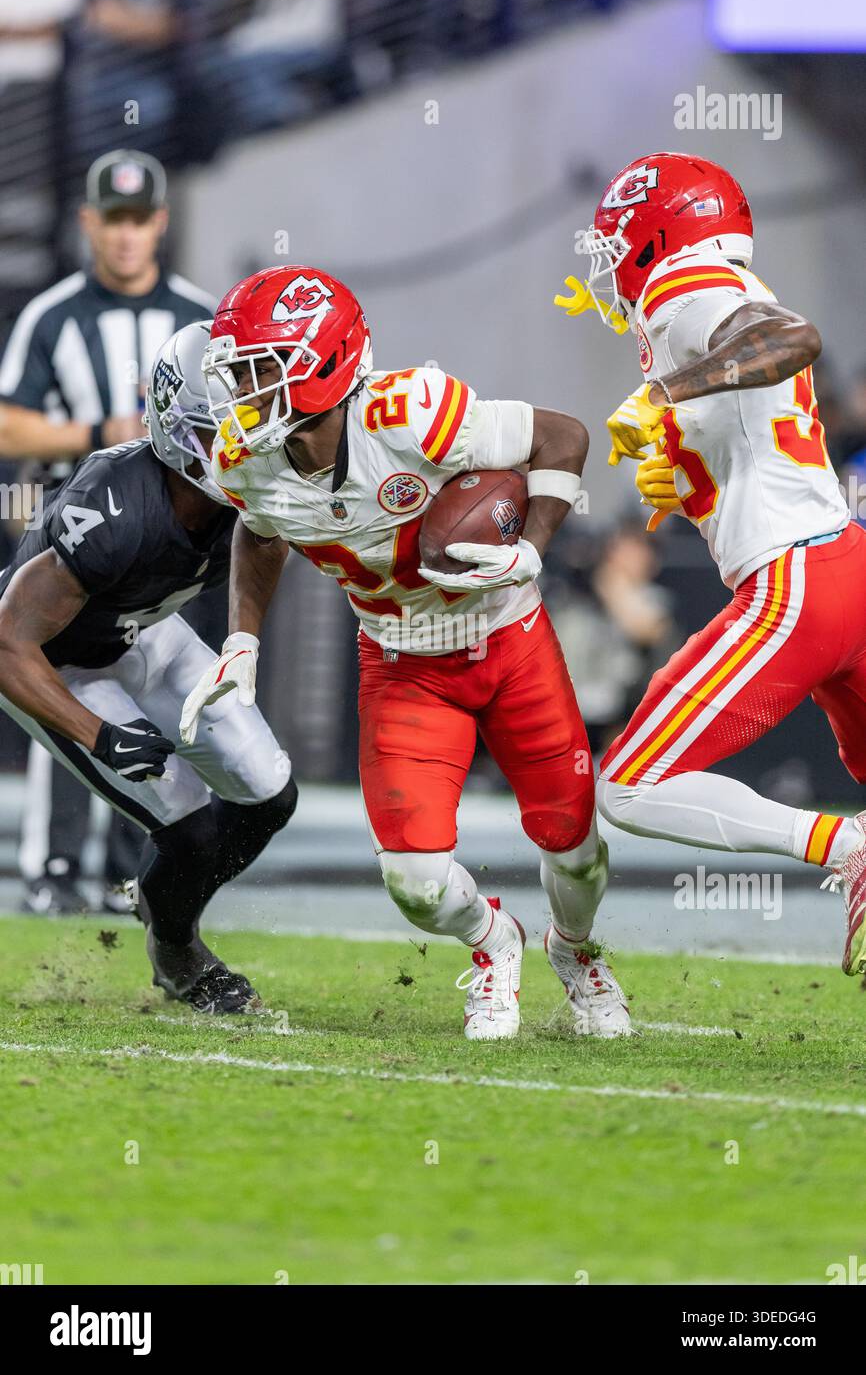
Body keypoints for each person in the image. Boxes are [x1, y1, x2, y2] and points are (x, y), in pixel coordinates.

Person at [179, 263, 631, 1041]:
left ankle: (578, 951)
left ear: (324, 364)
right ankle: (495, 944)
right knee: (416, 884)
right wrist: (243, 638)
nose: (239, 394)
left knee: (575, 845)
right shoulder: (242, 456)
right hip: (402, 661)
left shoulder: (410, 412)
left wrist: (537, 548)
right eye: (236, 373)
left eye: (258, 370)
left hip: (510, 637)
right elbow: (260, 528)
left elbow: (563, 437)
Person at [558, 150, 866, 979]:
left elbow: (790, 340)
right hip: (843, 564)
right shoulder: (717, 286)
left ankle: (845, 847)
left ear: (660, 232)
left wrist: (668, 396)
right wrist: (697, 468)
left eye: (618, 240)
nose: (611, 264)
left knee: (630, 784)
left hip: (795, 582)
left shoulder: (683, 288)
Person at [0, 323, 296, 1012]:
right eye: (223, 428)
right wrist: (98, 734)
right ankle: (179, 952)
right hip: (60, 662)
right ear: (176, 428)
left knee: (269, 794)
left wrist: (242, 639)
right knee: (187, 827)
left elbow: (266, 535)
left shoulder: (251, 483)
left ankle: (164, 897)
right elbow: (9, 641)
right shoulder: (115, 509)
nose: (242, 444)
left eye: (250, 423)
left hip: (147, 634)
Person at [0, 147, 215, 915]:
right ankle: (54, 869)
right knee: (60, 688)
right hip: (75, 540)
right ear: (89, 222)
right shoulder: (53, 314)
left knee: (159, 702)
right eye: (111, 220)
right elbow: (6, 424)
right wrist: (100, 429)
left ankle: (139, 871)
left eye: (138, 219)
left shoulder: (200, 316)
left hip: (170, 545)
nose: (125, 236)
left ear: (159, 222)